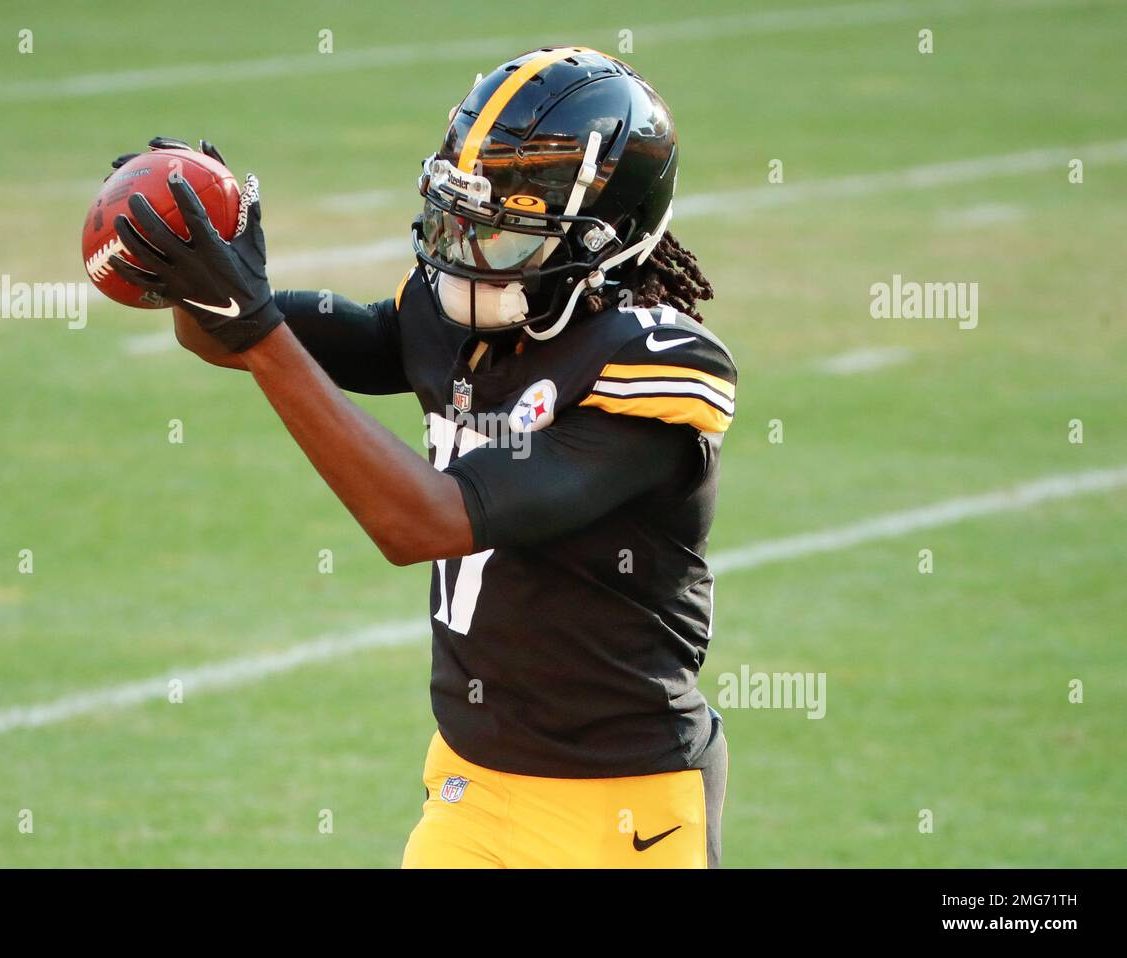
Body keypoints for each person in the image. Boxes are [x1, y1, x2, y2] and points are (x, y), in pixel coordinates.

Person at [109, 46, 735, 868]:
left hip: (620, 808)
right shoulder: (451, 321)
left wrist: (255, 328)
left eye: (509, 223)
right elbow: (225, 338)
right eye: (465, 211)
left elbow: (420, 521)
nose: (473, 243)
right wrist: (197, 266)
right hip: (468, 785)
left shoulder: (649, 368)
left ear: (604, 237)